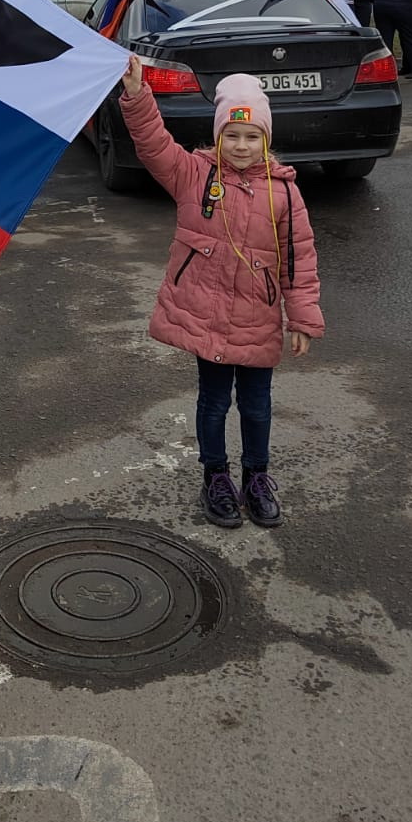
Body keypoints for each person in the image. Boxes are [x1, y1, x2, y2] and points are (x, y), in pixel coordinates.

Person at [118, 63, 324, 528]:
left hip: (258, 319)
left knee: (256, 404)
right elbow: (154, 146)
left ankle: (256, 476)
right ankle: (216, 476)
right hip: (206, 317)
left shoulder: (285, 195)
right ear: (219, 136)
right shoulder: (194, 175)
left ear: (266, 138)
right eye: (233, 135)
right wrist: (137, 95)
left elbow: (299, 261)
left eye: (252, 137)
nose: (242, 146)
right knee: (213, 402)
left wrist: (304, 318)